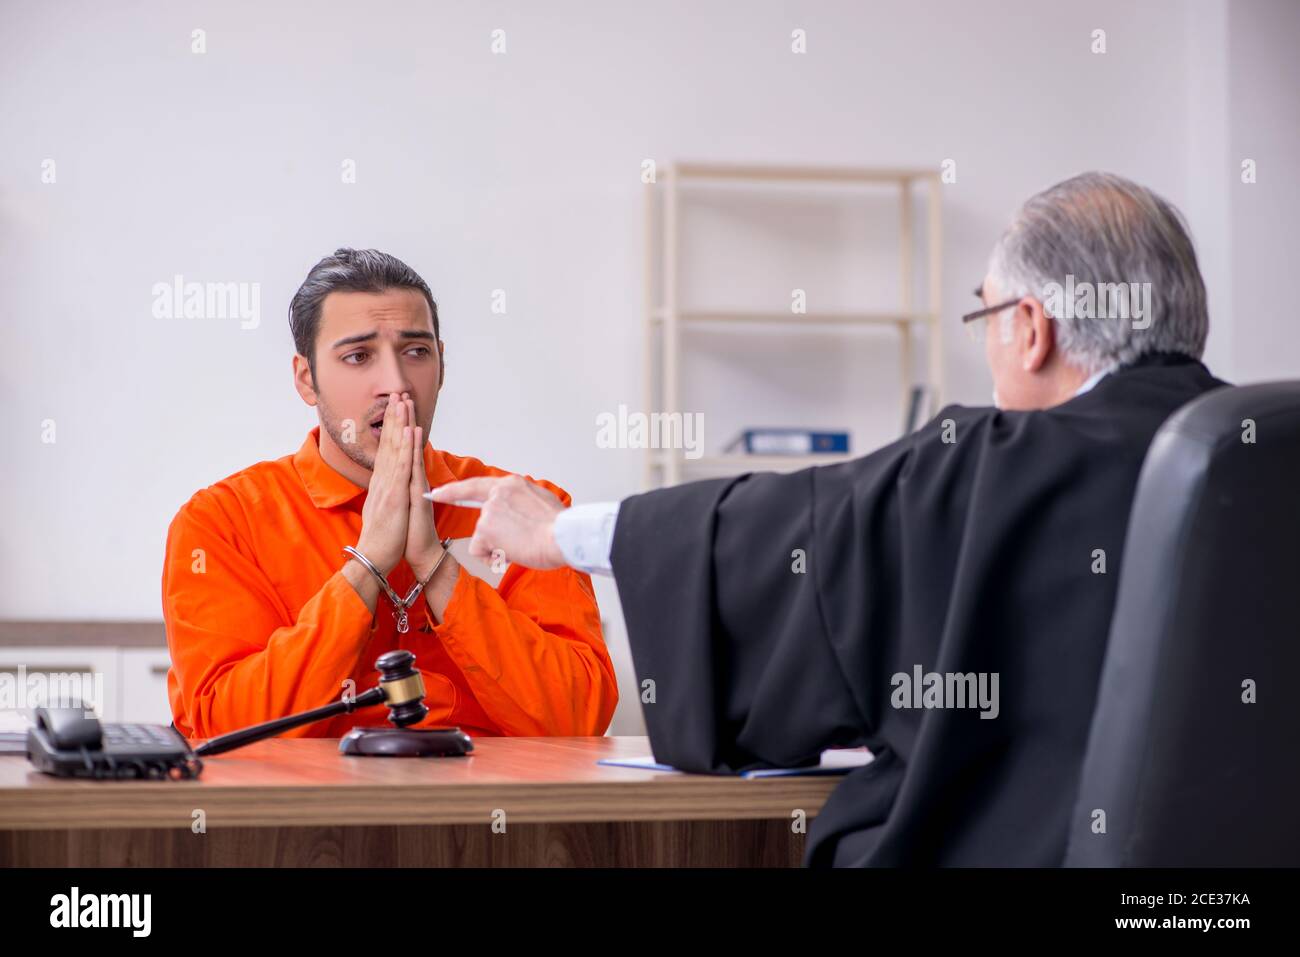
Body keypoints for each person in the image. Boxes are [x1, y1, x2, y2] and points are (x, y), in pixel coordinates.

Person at [429, 172, 1229, 866]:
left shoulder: (991, 465)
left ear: (1031, 328)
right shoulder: (1267, 452)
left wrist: (558, 533)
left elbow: (783, 535)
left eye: (984, 318)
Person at [162, 249, 618, 740]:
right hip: (302, 813)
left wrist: (435, 566)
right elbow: (223, 731)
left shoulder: (526, 509)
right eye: (358, 356)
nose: (397, 385)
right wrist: (368, 564)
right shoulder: (221, 522)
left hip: (485, 808)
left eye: (416, 352)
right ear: (306, 379)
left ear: (441, 367)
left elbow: (577, 719)